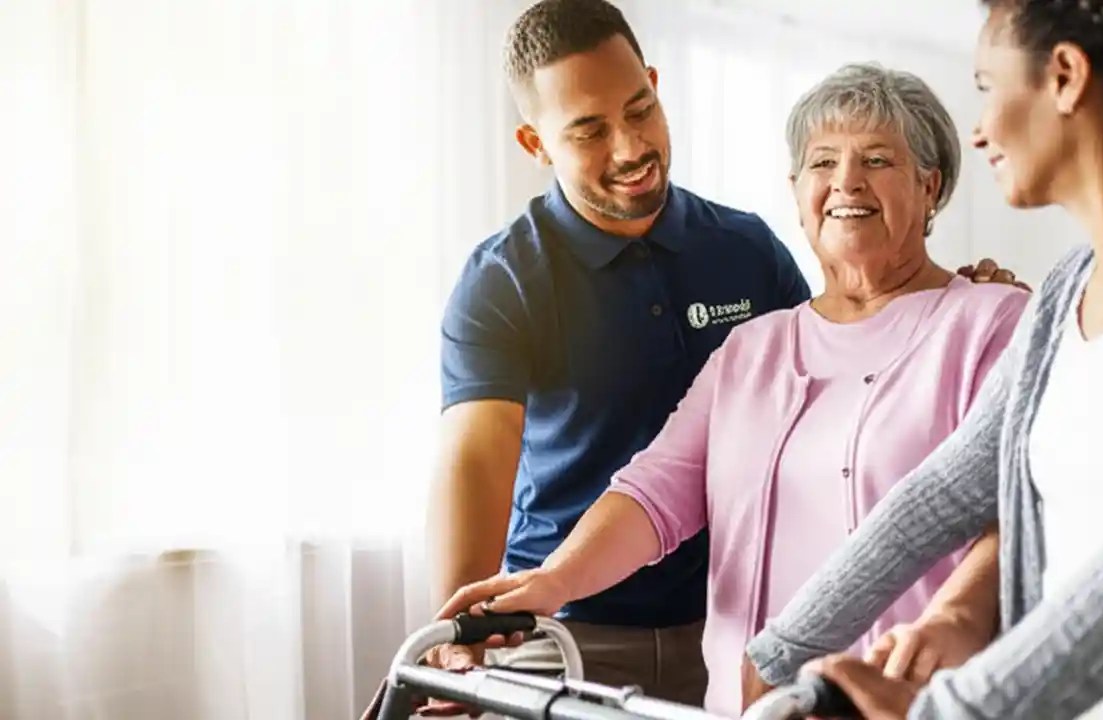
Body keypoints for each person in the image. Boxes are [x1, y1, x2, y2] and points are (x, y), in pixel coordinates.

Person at [433, 62, 1031, 714]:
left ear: (930, 185)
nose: (845, 182)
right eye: (822, 162)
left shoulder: (993, 324)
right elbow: (655, 490)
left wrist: (952, 622)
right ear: (797, 189)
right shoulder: (753, 347)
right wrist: (554, 580)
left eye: (878, 160)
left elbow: (1018, 509)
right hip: (744, 704)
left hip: (902, 698)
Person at [741, 1, 1103, 719]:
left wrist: (961, 706)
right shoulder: (1062, 294)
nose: (979, 129)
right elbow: (939, 493)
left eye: (988, 88)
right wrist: (778, 654)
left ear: (1063, 76)